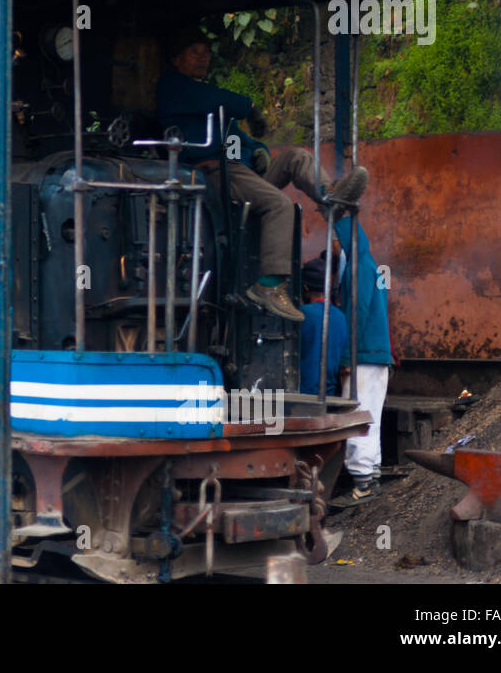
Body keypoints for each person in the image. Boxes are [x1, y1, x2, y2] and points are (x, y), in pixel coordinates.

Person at [154, 30, 368, 322]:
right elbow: (223, 101)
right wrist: (250, 108)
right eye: (195, 51)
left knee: (297, 157)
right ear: (176, 59)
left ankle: (329, 196)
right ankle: (268, 285)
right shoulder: (174, 87)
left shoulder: (208, 104)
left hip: (238, 171)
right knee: (280, 205)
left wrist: (258, 149)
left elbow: (238, 137)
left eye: (206, 51)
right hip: (214, 173)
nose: (203, 57)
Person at [331, 215, 393, 504]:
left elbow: (357, 313)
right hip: (376, 354)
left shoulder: (357, 268)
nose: (333, 247)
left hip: (364, 356)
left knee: (356, 417)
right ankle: (371, 476)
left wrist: (347, 354)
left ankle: (363, 483)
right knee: (371, 417)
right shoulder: (372, 265)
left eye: (335, 240)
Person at [298, 258, 346, 397]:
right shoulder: (341, 317)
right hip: (328, 394)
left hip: (302, 393)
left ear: (305, 288)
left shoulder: (302, 314)